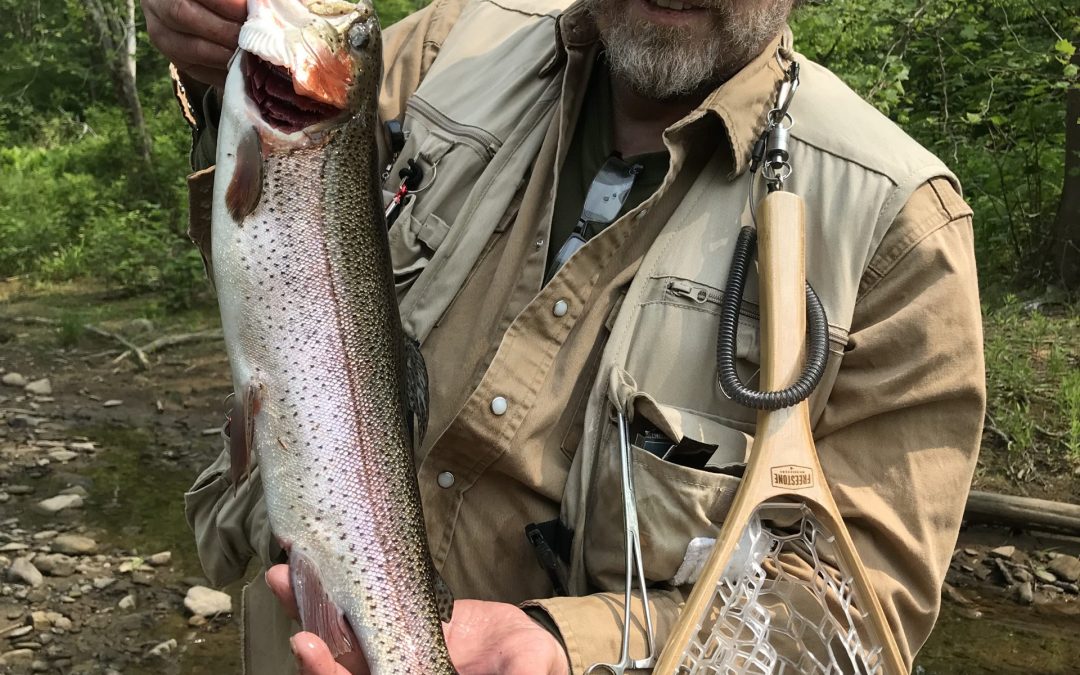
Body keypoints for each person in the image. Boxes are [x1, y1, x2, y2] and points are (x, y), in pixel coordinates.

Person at [144, 0, 986, 673]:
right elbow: (274, 225)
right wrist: (210, 61)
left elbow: (855, 625)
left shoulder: (899, 230)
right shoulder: (441, 47)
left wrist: (566, 645)